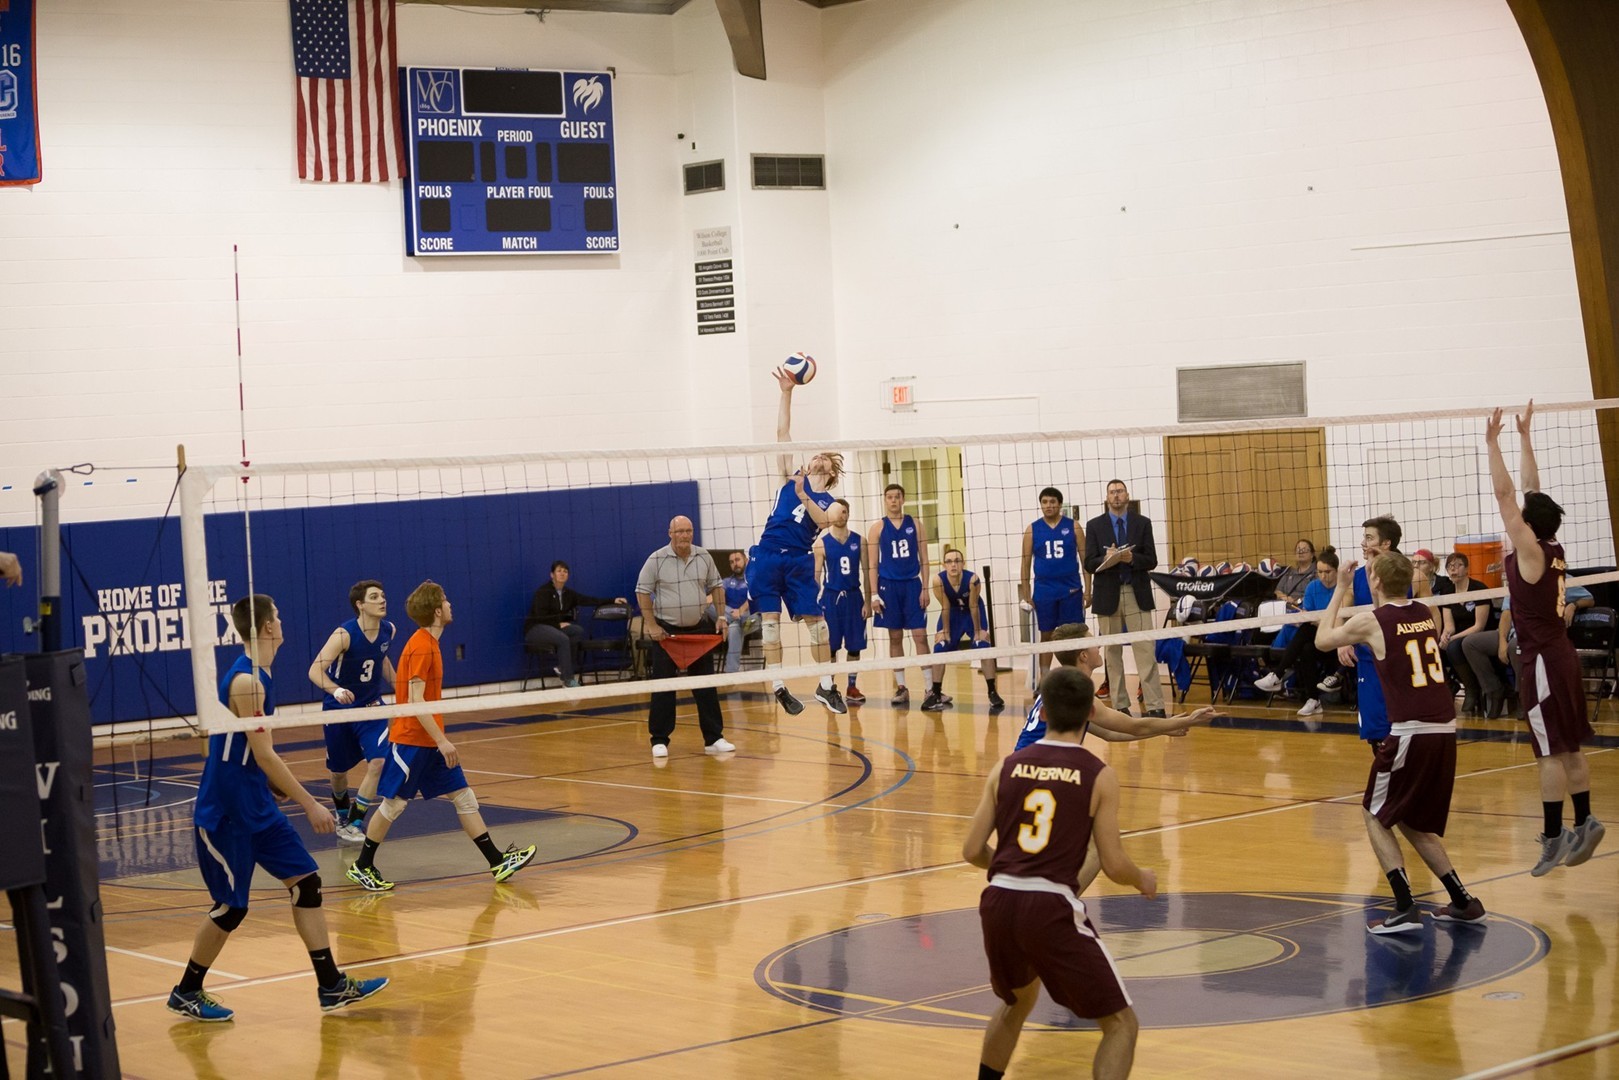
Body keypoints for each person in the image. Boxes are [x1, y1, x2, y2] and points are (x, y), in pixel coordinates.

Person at [167, 594, 388, 1021]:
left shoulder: (261, 675)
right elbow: (264, 752)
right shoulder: (247, 681)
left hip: (256, 803)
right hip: (226, 812)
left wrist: (269, 784)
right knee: (232, 909)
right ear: (268, 627)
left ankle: (331, 986)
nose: (283, 622)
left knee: (307, 883)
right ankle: (187, 991)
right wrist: (311, 804)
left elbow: (247, 750)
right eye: (279, 616)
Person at [962, 667, 1157, 1080]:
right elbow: (1114, 863)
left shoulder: (1006, 766)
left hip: (998, 901)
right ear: (1090, 712)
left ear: (1042, 711)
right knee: (1122, 1025)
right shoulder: (1098, 775)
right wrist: (1143, 878)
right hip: (1049, 908)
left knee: (1016, 1003)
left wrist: (1007, 869)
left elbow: (971, 850)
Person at [1315, 553, 1486, 933]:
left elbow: (1322, 639)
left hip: (1412, 731)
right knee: (1406, 816)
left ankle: (1406, 906)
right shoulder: (1424, 611)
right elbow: (1390, 616)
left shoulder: (1371, 621)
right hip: (1444, 729)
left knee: (1373, 813)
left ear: (1374, 582)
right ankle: (1462, 901)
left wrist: (1342, 587)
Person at [346, 581, 537, 891]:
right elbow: (416, 701)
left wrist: (437, 740)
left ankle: (497, 861)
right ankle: (362, 865)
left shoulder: (430, 642)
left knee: (464, 797)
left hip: (428, 741)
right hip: (411, 740)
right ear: (437, 611)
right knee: (393, 805)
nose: (450, 605)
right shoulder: (421, 645)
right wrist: (441, 740)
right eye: (446, 601)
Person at [1486, 402, 1603, 874]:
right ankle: (1586, 820)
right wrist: (1525, 437)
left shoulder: (1530, 550)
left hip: (1541, 661)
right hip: (1562, 654)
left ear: (1528, 525)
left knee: (1548, 752)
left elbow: (1506, 492)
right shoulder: (1550, 544)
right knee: (1569, 745)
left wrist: (1491, 442)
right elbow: (1530, 489)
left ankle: (1554, 836)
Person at [748, 366, 846, 716]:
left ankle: (827, 686)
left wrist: (806, 495)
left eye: (824, 457)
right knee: (770, 626)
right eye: (814, 454)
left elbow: (828, 521)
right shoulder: (789, 478)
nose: (816, 456)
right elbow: (782, 432)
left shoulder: (828, 501)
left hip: (799, 560)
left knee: (818, 628)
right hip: (768, 555)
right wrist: (787, 392)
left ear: (831, 472)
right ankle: (778, 686)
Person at [1015, 623, 1212, 751]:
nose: (1100, 645)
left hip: (1024, 764)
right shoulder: (1076, 694)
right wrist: (1188, 721)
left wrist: (1164, 729)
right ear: (1083, 655)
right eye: (1094, 642)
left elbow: (1110, 734)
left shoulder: (1063, 688)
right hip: (1035, 767)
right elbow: (1135, 726)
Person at [307, 580, 397, 844]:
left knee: (378, 762)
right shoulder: (344, 634)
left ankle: (356, 823)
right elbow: (314, 670)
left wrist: (402, 687)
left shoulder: (389, 631)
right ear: (360, 605)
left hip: (371, 708)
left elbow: (381, 661)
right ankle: (342, 814)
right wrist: (335, 690)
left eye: (383, 595)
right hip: (340, 709)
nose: (382, 600)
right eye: (374, 597)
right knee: (338, 772)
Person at [637, 516, 733, 758]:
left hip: (698, 630)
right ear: (670, 533)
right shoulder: (656, 559)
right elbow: (643, 592)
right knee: (664, 687)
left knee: (705, 686)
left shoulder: (703, 556)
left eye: (688, 531)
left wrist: (721, 617)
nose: (685, 535)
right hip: (666, 634)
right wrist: (650, 625)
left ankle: (714, 738)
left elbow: (717, 586)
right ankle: (659, 740)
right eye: (680, 531)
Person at [1083, 479, 1164, 717]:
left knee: (1145, 649)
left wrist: (1132, 559)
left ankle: (1155, 705)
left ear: (1127, 495)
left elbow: (1152, 559)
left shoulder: (1142, 523)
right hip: (1107, 594)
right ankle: (1120, 705)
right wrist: (1105, 559)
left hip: (1135, 592)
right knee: (1112, 652)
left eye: (1119, 491)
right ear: (1107, 497)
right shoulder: (1095, 525)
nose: (1116, 495)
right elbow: (1089, 563)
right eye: (1112, 492)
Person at [1331, 515, 1407, 746]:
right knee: (1377, 734)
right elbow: (1341, 614)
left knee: (1405, 729)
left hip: (1402, 662)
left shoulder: (1411, 575)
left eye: (1369, 538)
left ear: (1386, 544)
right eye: (1363, 537)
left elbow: (1432, 614)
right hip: (1369, 661)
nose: (1363, 543)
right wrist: (1342, 642)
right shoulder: (1356, 579)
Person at [868, 482, 938, 708]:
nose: (893, 500)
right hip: (888, 587)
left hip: (912, 585)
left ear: (903, 499)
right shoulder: (877, 528)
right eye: (889, 497)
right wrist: (873, 595)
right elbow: (871, 565)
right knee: (895, 637)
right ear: (885, 499)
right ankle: (901, 687)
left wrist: (925, 588)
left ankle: (929, 689)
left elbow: (925, 559)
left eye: (897, 496)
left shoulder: (916, 525)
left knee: (920, 636)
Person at [1254, 546, 1340, 717]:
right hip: (1320, 640)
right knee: (1306, 648)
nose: (1323, 576)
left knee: (1307, 628)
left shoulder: (1343, 589)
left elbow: (1338, 624)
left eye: (1328, 572)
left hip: (1339, 643)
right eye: (1320, 572)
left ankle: (1277, 674)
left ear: (1337, 571)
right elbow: (1310, 616)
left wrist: (1315, 621)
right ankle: (1313, 700)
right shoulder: (1313, 587)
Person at [1019, 487, 1087, 680]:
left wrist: (1088, 590)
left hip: (1071, 590)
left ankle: (1076, 677)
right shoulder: (1032, 529)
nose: (1048, 506)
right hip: (1044, 591)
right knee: (1046, 635)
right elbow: (1025, 563)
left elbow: (1085, 561)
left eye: (1052, 502)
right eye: (1045, 502)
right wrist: (1026, 593)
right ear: (1041, 505)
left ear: (1059, 504)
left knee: (1074, 635)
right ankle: (1045, 679)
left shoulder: (1073, 526)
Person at [523, 560, 625, 688]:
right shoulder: (543, 591)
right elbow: (540, 615)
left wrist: (613, 600)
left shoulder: (568, 594)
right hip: (535, 628)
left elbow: (588, 600)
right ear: (552, 574)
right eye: (559, 571)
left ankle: (562, 668)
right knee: (563, 639)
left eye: (565, 571)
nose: (562, 574)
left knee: (577, 630)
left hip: (552, 628)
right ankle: (569, 680)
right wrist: (557, 625)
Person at [931, 547, 1004, 711]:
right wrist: (946, 632)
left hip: (973, 613)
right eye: (949, 562)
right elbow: (945, 607)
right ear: (944, 565)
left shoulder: (973, 579)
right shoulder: (938, 581)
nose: (953, 565)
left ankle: (992, 691)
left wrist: (978, 631)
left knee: (983, 647)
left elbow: (973, 605)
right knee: (939, 648)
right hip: (953, 614)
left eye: (957, 561)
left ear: (963, 563)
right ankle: (936, 693)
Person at [815, 499, 871, 704]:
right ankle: (828, 688)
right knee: (831, 647)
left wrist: (867, 601)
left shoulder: (860, 540)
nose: (841, 515)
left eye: (844, 511)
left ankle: (852, 687)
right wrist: (815, 605)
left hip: (854, 598)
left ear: (848, 514)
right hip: (831, 598)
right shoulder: (821, 543)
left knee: (854, 646)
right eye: (837, 512)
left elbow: (867, 573)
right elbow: (816, 577)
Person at [1437, 552, 1495, 715]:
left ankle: (1472, 689)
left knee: (1454, 646)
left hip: (1480, 635)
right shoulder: (1448, 591)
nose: (1453, 570)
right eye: (1450, 566)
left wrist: (1452, 639)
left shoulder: (1479, 588)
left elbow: (1479, 626)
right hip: (1459, 636)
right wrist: (1445, 636)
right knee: (1438, 647)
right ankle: (1451, 685)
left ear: (1467, 568)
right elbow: (1449, 626)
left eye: (1458, 565)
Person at [719, 550, 756, 675]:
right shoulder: (726, 582)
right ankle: (732, 673)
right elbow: (717, 598)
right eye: (731, 562)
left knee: (749, 618)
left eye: (737, 560)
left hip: (751, 619)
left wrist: (740, 611)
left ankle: (735, 618)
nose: (735, 564)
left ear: (746, 560)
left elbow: (754, 597)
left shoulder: (753, 578)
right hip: (734, 619)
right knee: (734, 628)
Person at [1274, 539, 1316, 607]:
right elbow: (1277, 591)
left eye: (1304, 549)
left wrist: (1297, 601)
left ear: (1312, 554)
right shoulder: (1289, 572)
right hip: (1286, 608)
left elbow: (1317, 594)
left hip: (1306, 608)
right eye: (1298, 549)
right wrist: (1285, 598)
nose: (1300, 552)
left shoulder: (1317, 572)